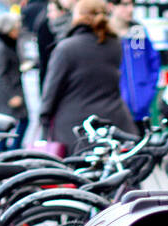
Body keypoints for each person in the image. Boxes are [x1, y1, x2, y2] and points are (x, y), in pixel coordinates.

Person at [40, 0, 135, 149]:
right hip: (112, 122)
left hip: (74, 128)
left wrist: (44, 119)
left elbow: (52, 90)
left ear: (78, 17)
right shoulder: (115, 45)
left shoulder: (66, 48)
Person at [109, 0, 161, 134]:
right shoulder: (105, 34)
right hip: (114, 112)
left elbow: (153, 63)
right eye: (125, 5)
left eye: (132, 4)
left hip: (141, 110)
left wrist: (148, 92)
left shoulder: (138, 32)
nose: (130, 9)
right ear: (111, 6)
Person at [0, 12, 28, 149]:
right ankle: (6, 153)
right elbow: (0, 75)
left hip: (13, 90)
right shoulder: (1, 48)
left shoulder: (6, 44)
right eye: (15, 28)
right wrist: (11, 96)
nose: (17, 31)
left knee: (13, 125)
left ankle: (8, 152)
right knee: (11, 125)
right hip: (10, 93)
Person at [35, 0, 75, 88]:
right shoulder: (45, 28)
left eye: (51, 11)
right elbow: (43, 60)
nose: (48, 15)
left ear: (62, 11)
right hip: (52, 76)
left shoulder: (74, 26)